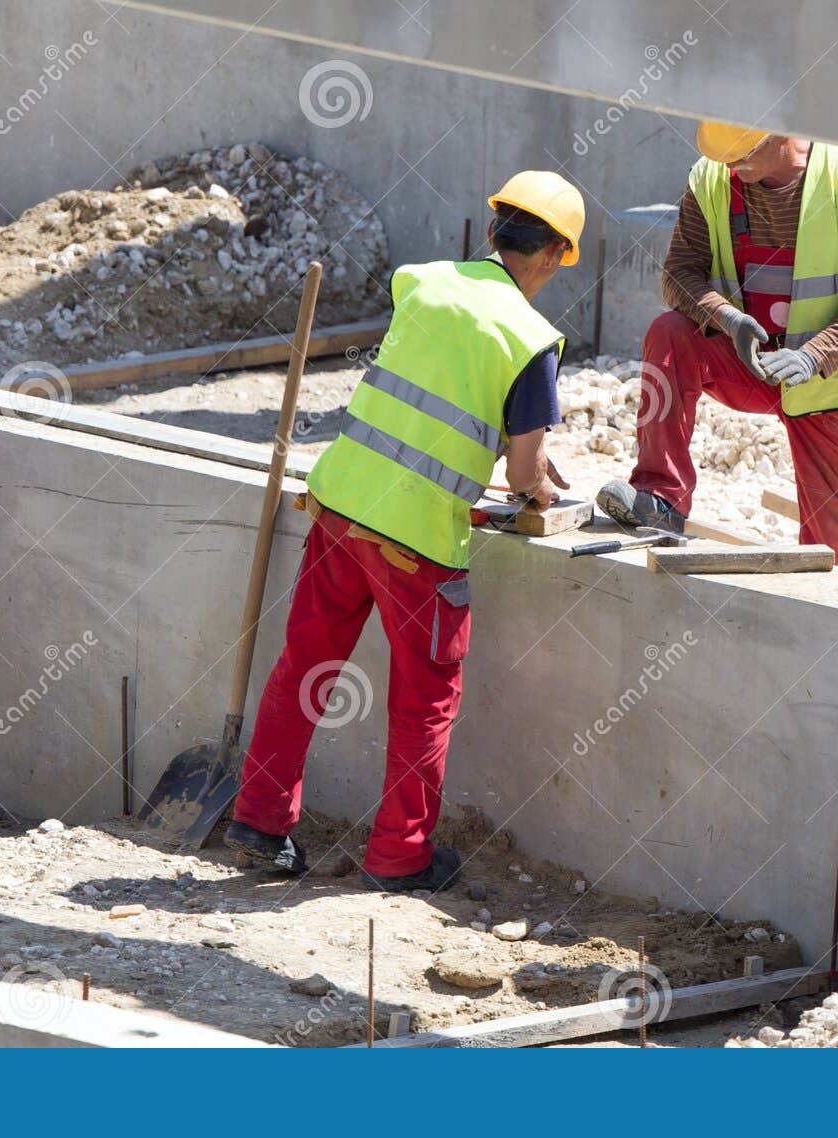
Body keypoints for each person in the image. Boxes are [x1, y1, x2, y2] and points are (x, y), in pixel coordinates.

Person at [222, 172, 584, 892]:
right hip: (415, 542)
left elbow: (428, 391)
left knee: (305, 667)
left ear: (490, 234)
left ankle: (260, 824)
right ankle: (399, 857)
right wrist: (543, 484)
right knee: (424, 701)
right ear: (551, 257)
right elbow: (523, 476)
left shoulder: (421, 282)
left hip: (341, 506)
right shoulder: (532, 339)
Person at [597, 120, 838, 571]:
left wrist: (813, 356)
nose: (730, 167)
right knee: (671, 332)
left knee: (836, 558)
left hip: (834, 388)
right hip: (751, 363)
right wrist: (728, 319)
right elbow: (678, 274)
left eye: (741, 157)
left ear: (779, 134)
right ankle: (661, 500)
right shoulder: (712, 176)